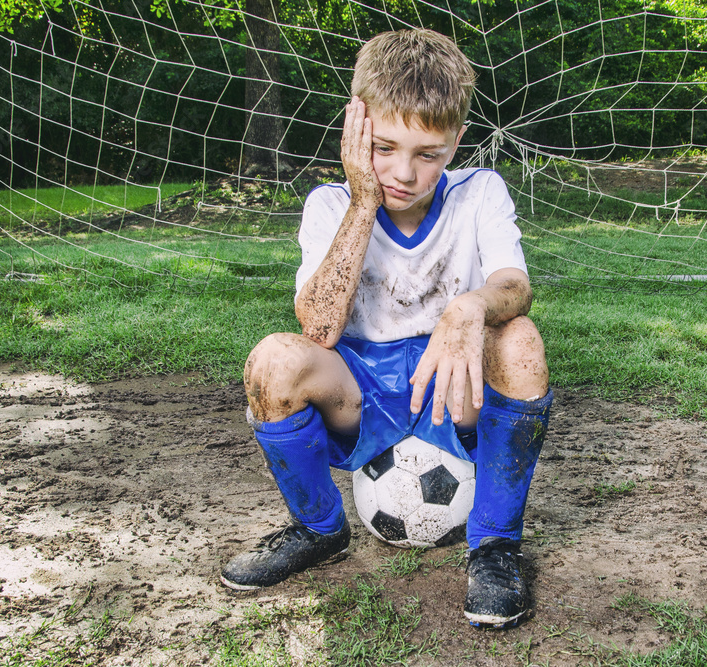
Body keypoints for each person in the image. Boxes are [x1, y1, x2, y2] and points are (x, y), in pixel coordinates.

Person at [220, 27, 553, 629]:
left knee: (521, 340)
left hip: (450, 387)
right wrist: (363, 199)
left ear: (455, 142)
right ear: (357, 129)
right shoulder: (329, 206)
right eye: (384, 148)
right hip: (360, 394)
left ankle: (497, 548)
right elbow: (319, 326)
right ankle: (317, 530)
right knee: (273, 360)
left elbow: (516, 285)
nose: (404, 172)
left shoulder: (481, 194)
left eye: (428, 154)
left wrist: (469, 306)